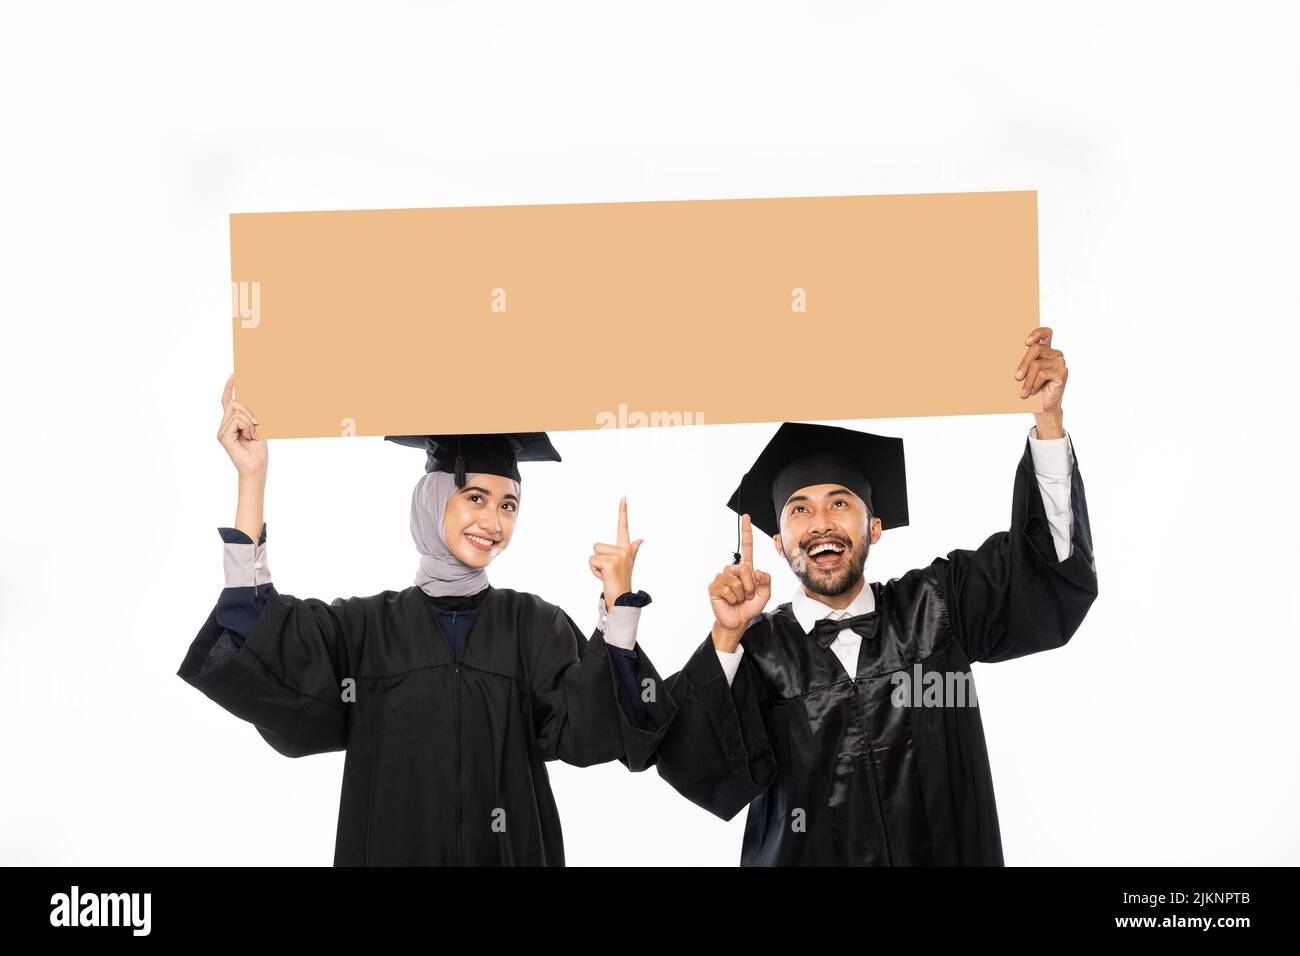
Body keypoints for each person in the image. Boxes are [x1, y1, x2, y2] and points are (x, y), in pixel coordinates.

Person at [177, 375, 677, 866]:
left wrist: (618, 608)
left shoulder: (534, 627)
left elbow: (594, 729)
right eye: (474, 498)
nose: (493, 523)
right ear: (433, 499)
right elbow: (255, 628)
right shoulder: (367, 629)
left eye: (508, 505)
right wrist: (252, 480)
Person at [654, 327, 1098, 865]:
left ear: (874, 527)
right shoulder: (755, 652)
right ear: (778, 541)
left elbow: (1045, 576)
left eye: (840, 504)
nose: (821, 523)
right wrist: (726, 636)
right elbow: (691, 763)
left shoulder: (939, 605)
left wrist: (1048, 423)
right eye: (799, 509)